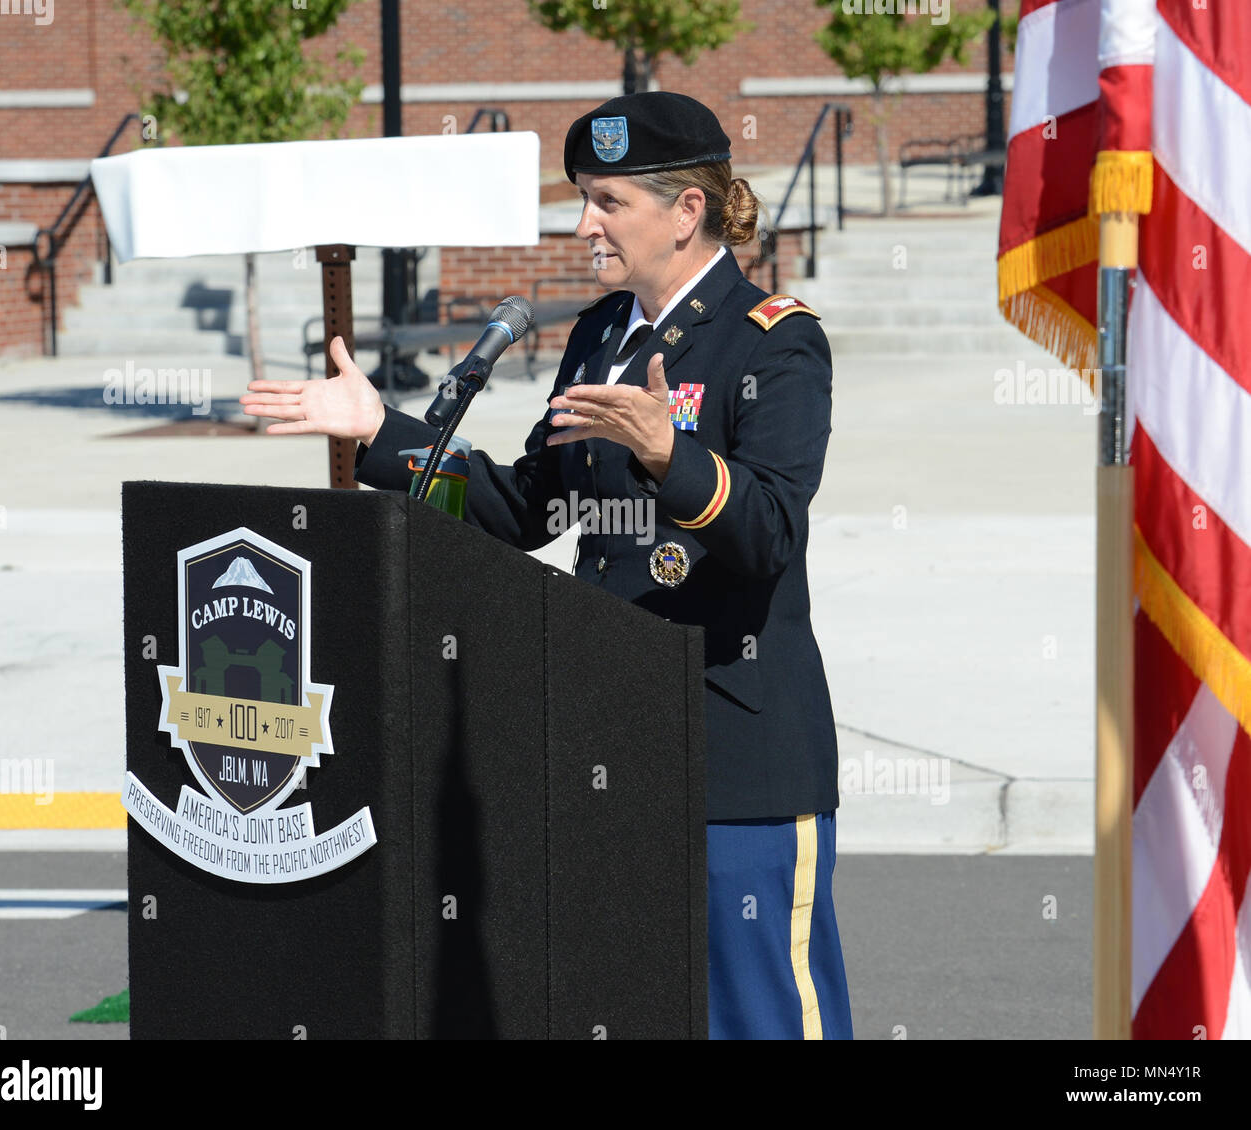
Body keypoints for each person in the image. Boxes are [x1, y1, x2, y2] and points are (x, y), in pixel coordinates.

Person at [241, 90, 852, 1040]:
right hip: (618, 738)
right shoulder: (603, 336)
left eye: (609, 201)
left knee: (760, 1015)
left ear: (687, 211)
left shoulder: (773, 339)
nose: (585, 225)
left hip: (739, 749)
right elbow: (528, 508)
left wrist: (669, 453)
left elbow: (770, 528)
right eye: (582, 198)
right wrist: (383, 437)